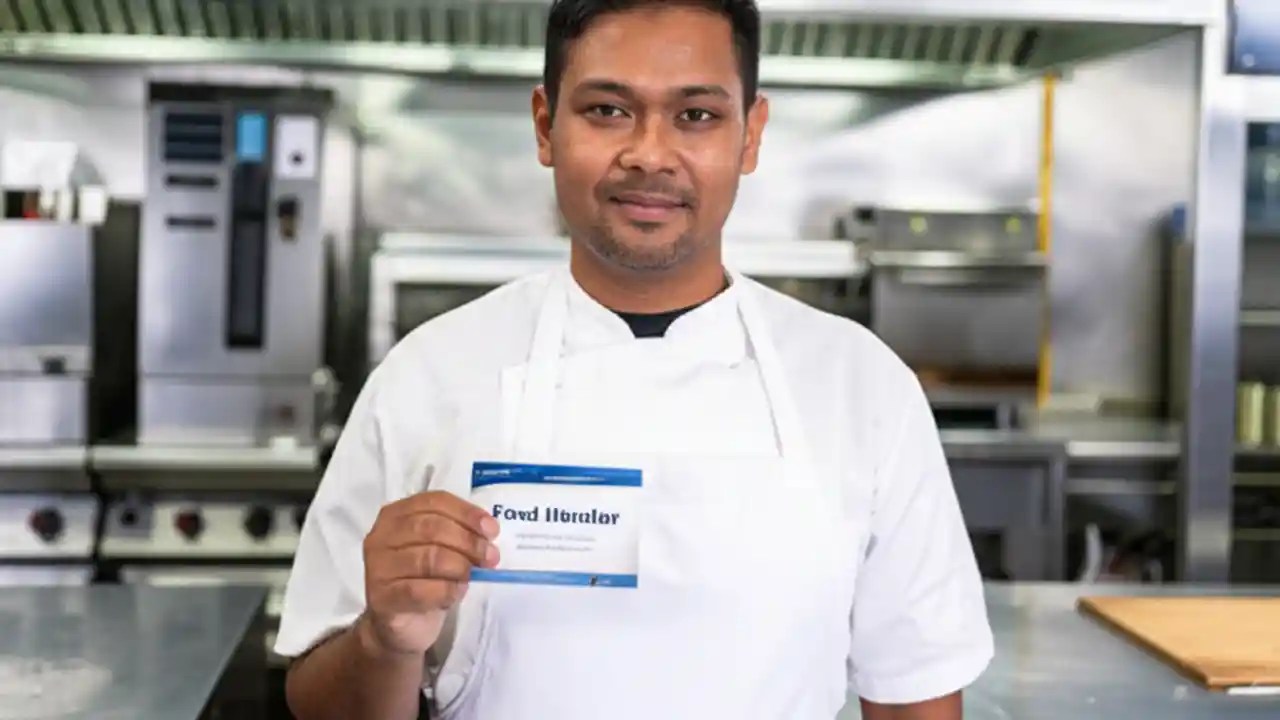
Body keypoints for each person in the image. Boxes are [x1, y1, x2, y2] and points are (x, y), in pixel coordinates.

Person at [275, 1, 993, 718]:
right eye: (609, 110)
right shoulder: (428, 376)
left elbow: (912, 699)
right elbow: (316, 701)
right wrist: (386, 639)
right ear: (545, 125)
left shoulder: (860, 386)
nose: (650, 153)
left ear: (752, 135)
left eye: (697, 116)